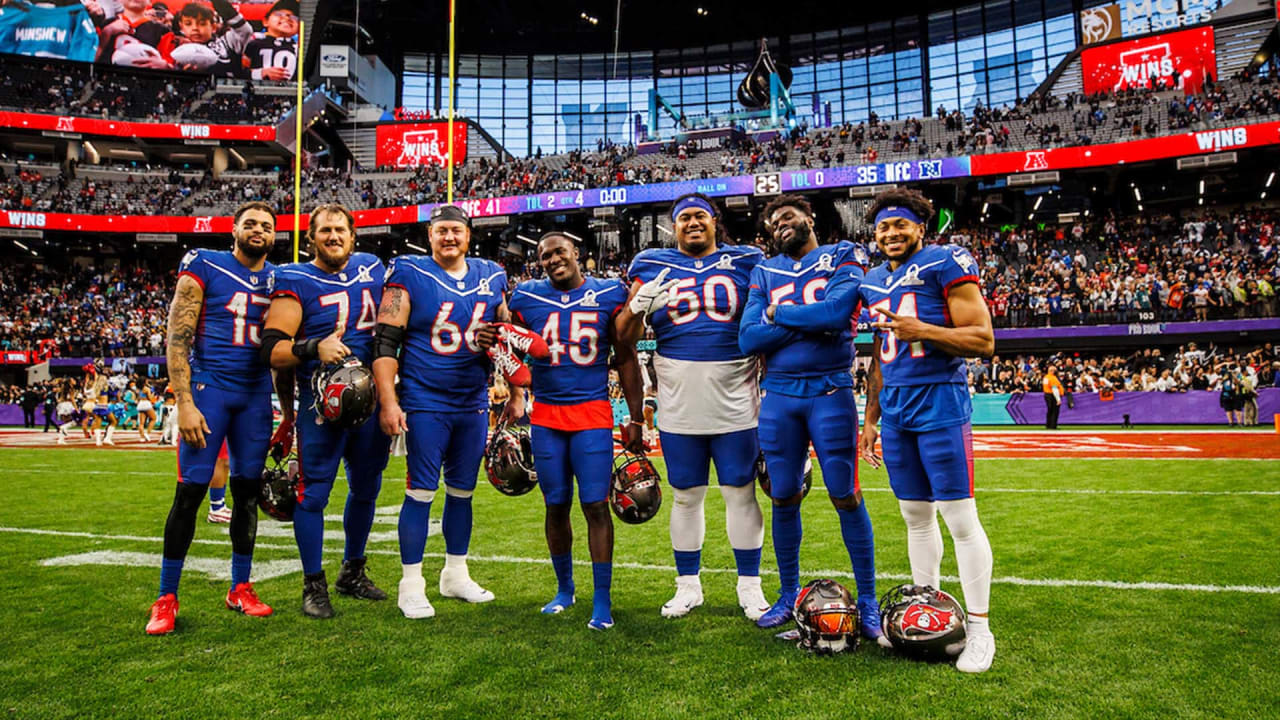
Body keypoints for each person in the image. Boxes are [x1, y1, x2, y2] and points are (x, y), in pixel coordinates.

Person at [767, 188, 997, 673]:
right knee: (915, 515)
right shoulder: (873, 280)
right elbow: (879, 360)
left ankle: (979, 628)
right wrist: (870, 420)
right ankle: (928, 613)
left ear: (921, 227)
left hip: (939, 401)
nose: (891, 234)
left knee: (959, 517)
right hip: (894, 410)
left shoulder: (947, 260)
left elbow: (982, 340)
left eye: (901, 225)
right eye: (884, 227)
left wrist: (927, 331)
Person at [617, 193, 770, 620]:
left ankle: (750, 586)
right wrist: (636, 307)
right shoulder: (651, 264)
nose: (693, 223)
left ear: (715, 220)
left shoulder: (747, 260)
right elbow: (623, 339)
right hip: (679, 397)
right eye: (684, 217)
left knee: (740, 493)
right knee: (685, 497)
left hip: (736, 393)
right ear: (674, 226)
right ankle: (688, 586)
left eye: (700, 215)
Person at [145, 201, 295, 636]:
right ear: (234, 230)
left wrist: (285, 412)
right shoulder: (205, 264)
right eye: (250, 223)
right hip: (210, 390)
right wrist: (185, 401)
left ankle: (240, 587)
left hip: (254, 396)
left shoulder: (280, 280)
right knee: (189, 493)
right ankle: (166, 597)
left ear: (274, 236)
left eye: (266, 226)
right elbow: (178, 337)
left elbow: (282, 354)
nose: (258, 230)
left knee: (247, 494)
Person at [739, 194, 882, 641]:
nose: (780, 225)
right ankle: (787, 593)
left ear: (809, 217)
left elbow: (839, 313)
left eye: (787, 216)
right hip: (779, 396)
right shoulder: (763, 270)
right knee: (782, 495)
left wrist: (779, 314)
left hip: (830, 389)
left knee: (845, 493)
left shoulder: (843, 253)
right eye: (773, 222)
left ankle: (869, 599)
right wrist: (811, 321)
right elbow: (747, 337)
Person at [506, 232, 645, 630]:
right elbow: (504, 345)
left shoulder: (607, 293)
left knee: (596, 505)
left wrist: (635, 418)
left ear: (577, 253)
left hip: (592, 415)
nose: (552, 260)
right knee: (555, 504)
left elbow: (627, 358)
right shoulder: (526, 298)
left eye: (559, 252)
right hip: (547, 416)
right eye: (544, 256)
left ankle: (602, 600)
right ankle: (564, 589)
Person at [372, 204, 505, 620]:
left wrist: (498, 337)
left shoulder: (492, 275)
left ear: (469, 236)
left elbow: (509, 329)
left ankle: (455, 573)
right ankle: (410, 583)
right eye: (441, 231)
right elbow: (386, 340)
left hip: (473, 400)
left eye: (457, 231)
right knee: (421, 492)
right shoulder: (408, 273)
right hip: (425, 399)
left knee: (463, 492)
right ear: (430, 235)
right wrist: (389, 400)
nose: (449, 238)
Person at [262, 203, 391, 618]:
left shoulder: (373, 268)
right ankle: (313, 584)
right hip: (322, 406)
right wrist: (312, 347)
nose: (333, 237)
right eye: (324, 231)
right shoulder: (295, 279)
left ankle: (352, 571)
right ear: (311, 238)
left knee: (367, 488)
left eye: (340, 230)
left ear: (354, 236)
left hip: (368, 404)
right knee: (313, 495)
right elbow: (273, 351)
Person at [1043, 364, 1064, 429]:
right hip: (1052, 396)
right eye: (1055, 371)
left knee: (1050, 410)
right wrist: (1058, 399)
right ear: (1052, 371)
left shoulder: (1046, 377)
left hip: (1047, 395)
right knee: (1054, 411)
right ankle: (1053, 425)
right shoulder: (1053, 378)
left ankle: (1048, 424)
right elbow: (1054, 389)